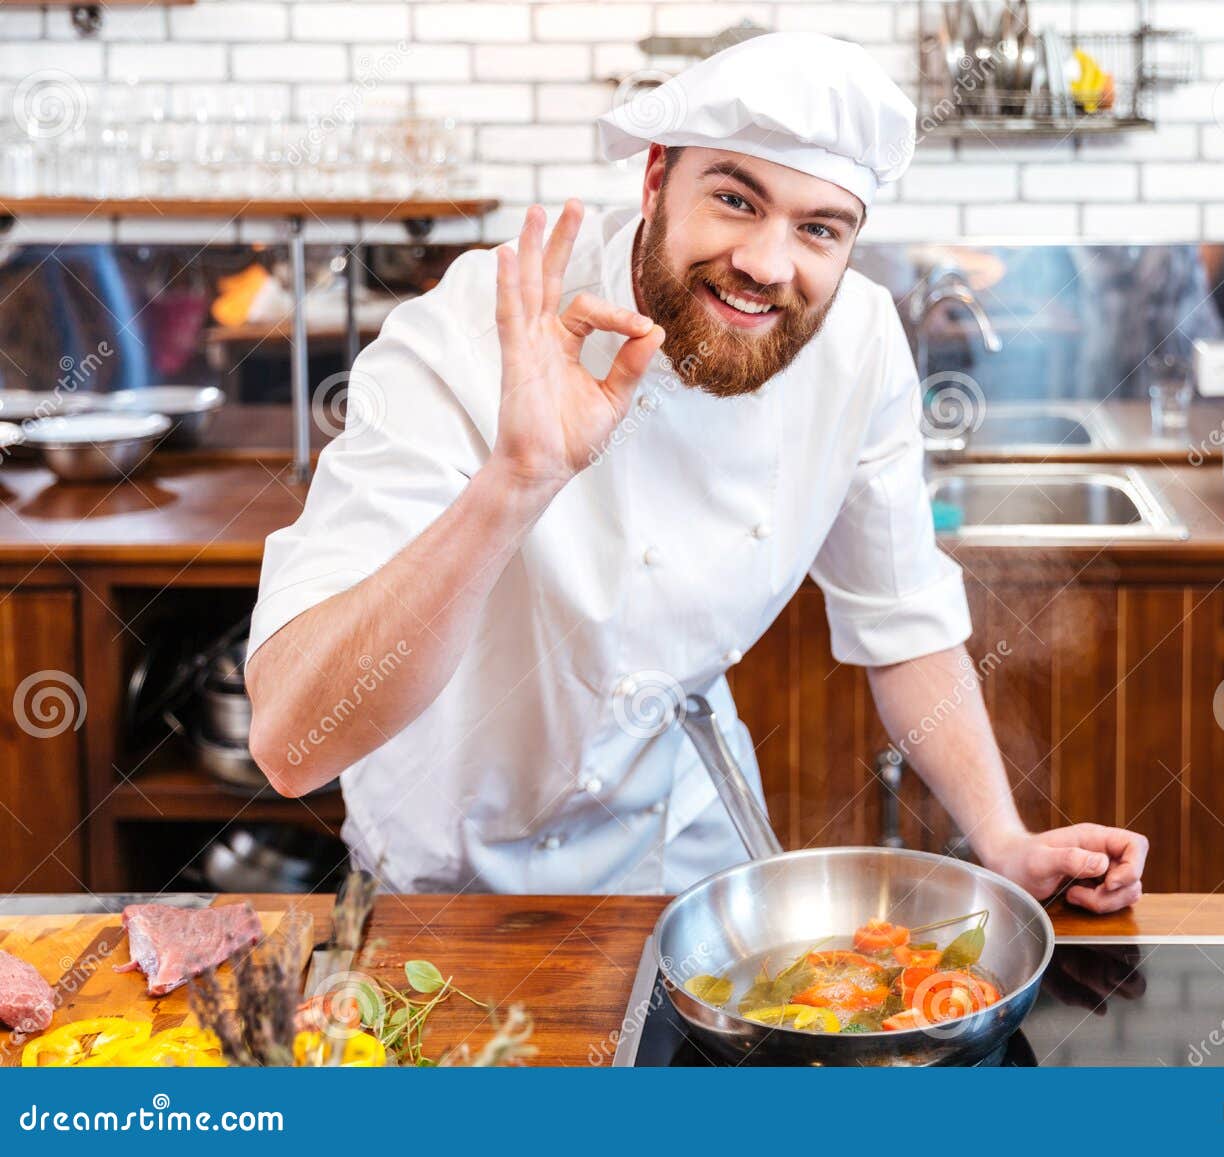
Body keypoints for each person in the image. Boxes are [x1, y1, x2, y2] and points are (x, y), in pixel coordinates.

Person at [245, 32, 1148, 908]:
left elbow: (903, 617)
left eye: (819, 229)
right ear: (654, 181)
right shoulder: (475, 332)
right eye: (737, 200)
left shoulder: (859, 341)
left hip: (686, 871)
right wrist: (514, 482)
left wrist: (1003, 838)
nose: (766, 263)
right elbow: (291, 742)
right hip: (449, 891)